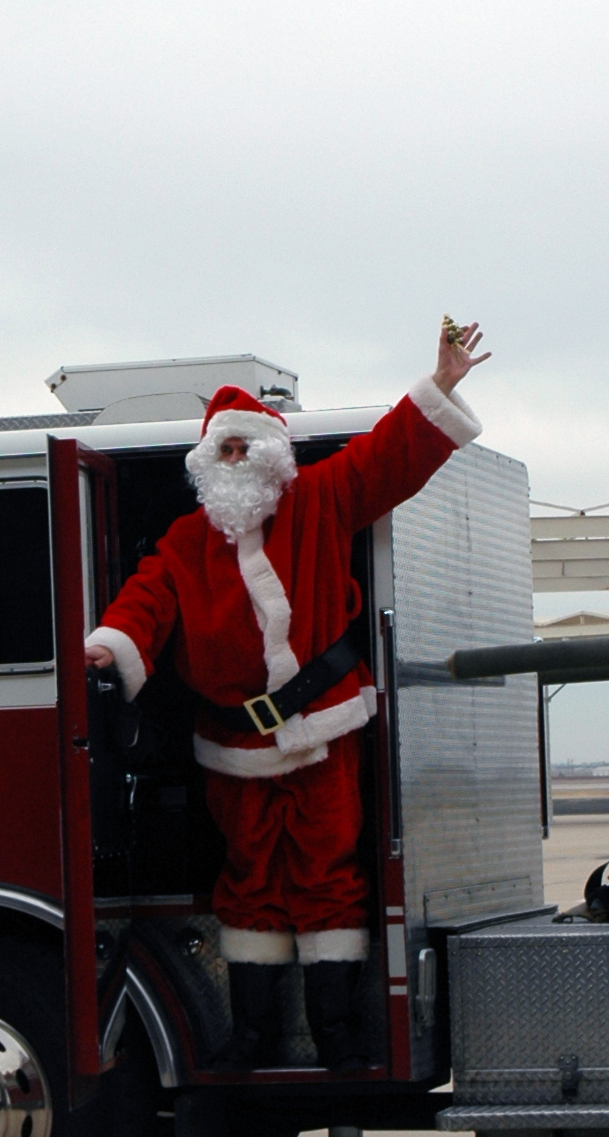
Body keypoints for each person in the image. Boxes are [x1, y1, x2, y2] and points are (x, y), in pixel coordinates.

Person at [84, 318, 489, 1071]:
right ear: (207, 460)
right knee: (248, 883)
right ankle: (254, 1034)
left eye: (246, 447)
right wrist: (109, 649)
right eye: (224, 449)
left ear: (274, 455)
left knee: (327, 872)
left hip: (321, 730)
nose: (236, 460)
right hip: (233, 745)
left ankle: (336, 1034)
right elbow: (144, 604)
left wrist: (438, 384)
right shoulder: (181, 543)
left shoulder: (322, 501)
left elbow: (389, 457)